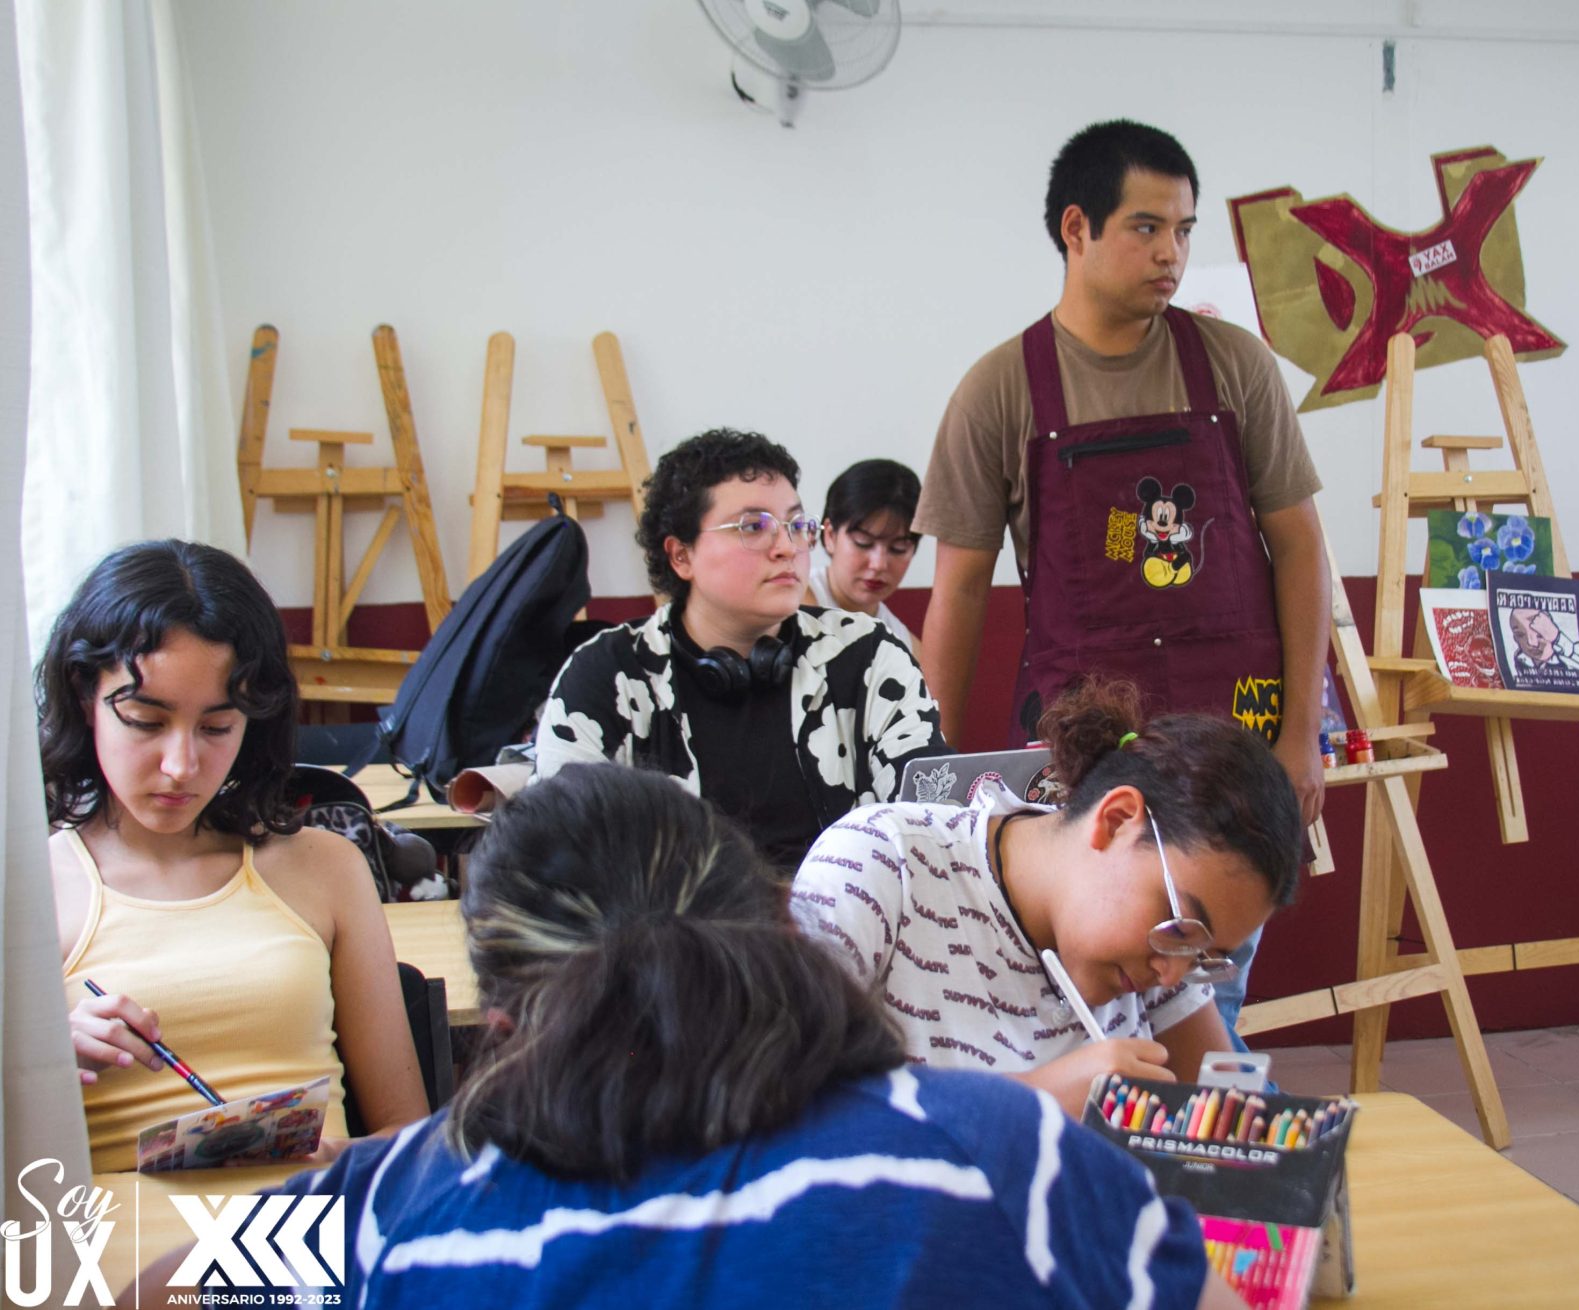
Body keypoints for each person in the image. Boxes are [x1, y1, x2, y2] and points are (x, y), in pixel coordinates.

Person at [136, 764, 1235, 1309]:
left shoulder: (389, 1205)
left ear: (503, 1014)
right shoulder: (997, 1154)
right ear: (774, 926)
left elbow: (152, 1294)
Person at [914, 118, 1330, 1035]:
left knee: (1208, 989)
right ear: (1077, 228)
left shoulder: (1235, 365)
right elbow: (961, 593)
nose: (1171, 253)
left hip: (1237, 741)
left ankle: (1198, 1121)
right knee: (1082, 1003)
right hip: (1085, 762)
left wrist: (1304, 733)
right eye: (1146, 227)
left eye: (1183, 230)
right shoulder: (999, 390)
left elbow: (1301, 548)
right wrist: (928, 762)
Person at [43, 540, 425, 1170]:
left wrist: (329, 1159)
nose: (181, 765)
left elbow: (409, 1142)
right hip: (113, 1224)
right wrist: (36, 1069)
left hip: (304, 1215)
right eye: (145, 720)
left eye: (217, 728)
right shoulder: (31, 891)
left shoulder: (325, 867)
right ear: (87, 699)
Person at [792, 679, 1301, 1119]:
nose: (1171, 974)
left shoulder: (1153, 960)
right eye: (1181, 929)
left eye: (1202, 957)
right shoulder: (882, 861)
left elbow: (1229, 1124)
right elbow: (779, 1106)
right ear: (1117, 821)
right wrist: (1032, 1101)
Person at [534, 428, 946, 870]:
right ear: (681, 555)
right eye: (754, 527)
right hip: (672, 915)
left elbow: (936, 825)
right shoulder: (609, 674)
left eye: (796, 526)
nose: (787, 548)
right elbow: (553, 853)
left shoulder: (870, 656)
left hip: (847, 911)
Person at [803, 457, 925, 658]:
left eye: (898, 548)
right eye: (863, 542)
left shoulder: (906, 648)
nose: (878, 564)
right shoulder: (796, 602)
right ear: (830, 535)